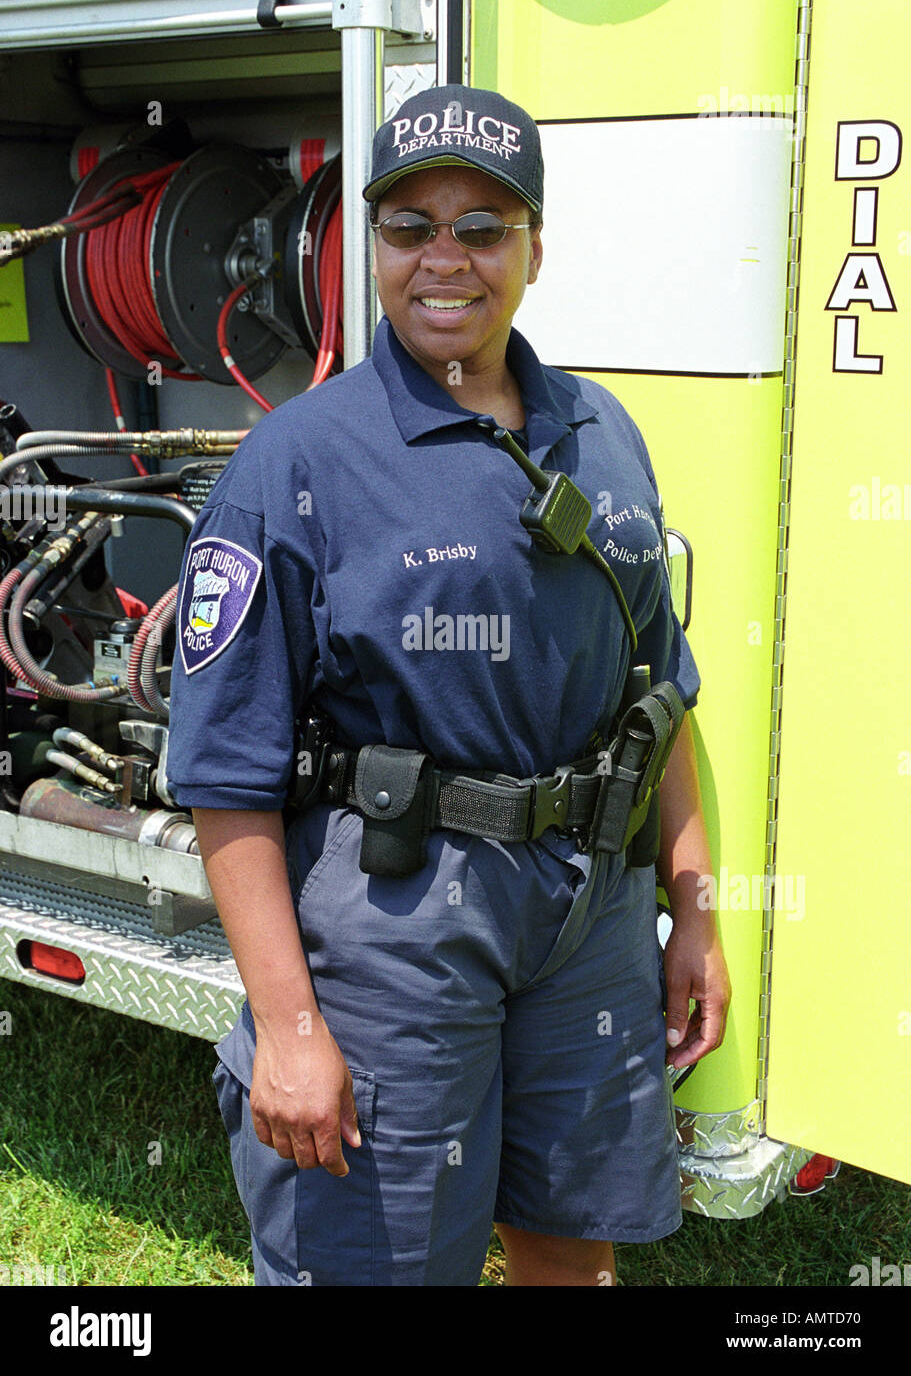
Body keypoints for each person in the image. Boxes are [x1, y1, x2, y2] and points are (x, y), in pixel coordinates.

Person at [166, 84, 731, 1288]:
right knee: (382, 1261)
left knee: (570, 1247)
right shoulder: (298, 464)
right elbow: (225, 777)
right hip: (399, 920)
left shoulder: (600, 428)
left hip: (589, 920)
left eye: (482, 226)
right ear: (368, 244)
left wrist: (695, 909)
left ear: (533, 247)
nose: (444, 258)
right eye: (409, 224)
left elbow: (660, 692)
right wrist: (291, 1025)